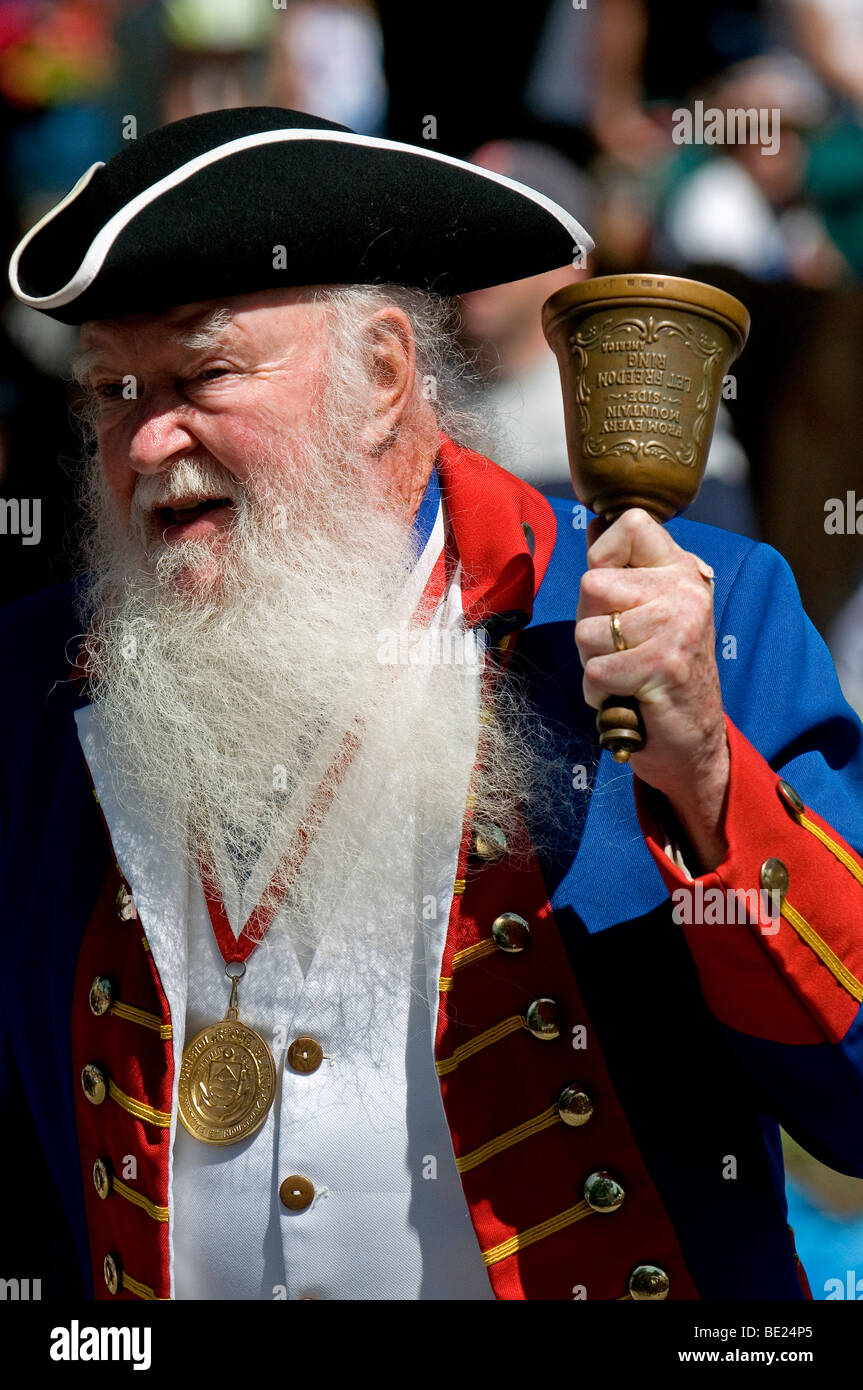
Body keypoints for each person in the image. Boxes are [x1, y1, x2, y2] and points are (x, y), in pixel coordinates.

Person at [4, 105, 863, 1303]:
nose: (148, 441)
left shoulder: (692, 617)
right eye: (111, 391)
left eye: (202, 373)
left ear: (381, 377)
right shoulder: (33, 681)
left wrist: (710, 788)